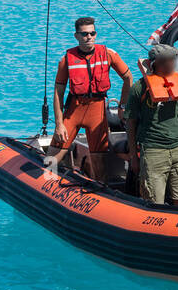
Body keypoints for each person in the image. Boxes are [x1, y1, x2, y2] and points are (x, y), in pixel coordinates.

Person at [47, 16, 132, 180]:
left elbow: (128, 78)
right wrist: (59, 124)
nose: (89, 37)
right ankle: (45, 184)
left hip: (97, 113)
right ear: (76, 36)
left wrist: (122, 106)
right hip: (74, 111)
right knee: (51, 158)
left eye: (92, 33)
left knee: (100, 166)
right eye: (85, 34)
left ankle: (100, 193)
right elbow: (58, 92)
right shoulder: (66, 60)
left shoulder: (108, 54)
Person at [123, 43, 178, 205]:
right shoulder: (139, 88)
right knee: (153, 200)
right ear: (155, 64)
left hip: (177, 148)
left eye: (173, 59)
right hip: (153, 151)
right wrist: (134, 157)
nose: (172, 64)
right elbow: (130, 123)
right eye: (167, 61)